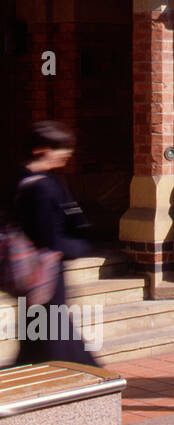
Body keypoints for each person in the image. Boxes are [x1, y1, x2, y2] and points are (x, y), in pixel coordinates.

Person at [10, 122, 93, 366]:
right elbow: (51, 238)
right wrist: (80, 246)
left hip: (26, 273)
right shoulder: (43, 187)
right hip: (46, 273)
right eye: (60, 148)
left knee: (37, 336)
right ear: (41, 149)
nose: (66, 153)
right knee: (52, 338)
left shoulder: (22, 178)